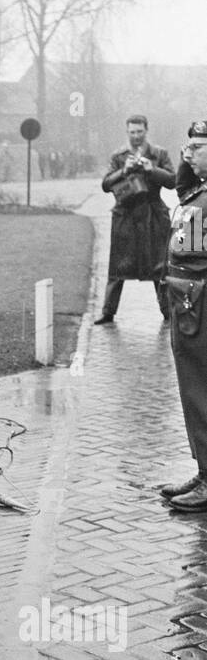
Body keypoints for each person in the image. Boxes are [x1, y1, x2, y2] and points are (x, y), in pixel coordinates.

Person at [159, 121, 207, 511]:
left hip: (200, 304)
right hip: (188, 301)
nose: (187, 153)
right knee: (194, 393)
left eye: (195, 147)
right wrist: (188, 158)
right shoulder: (197, 193)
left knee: (201, 391)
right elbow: (181, 187)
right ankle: (204, 468)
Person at [95, 114, 175, 324]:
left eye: (139, 131)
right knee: (118, 265)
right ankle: (108, 312)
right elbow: (105, 184)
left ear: (146, 130)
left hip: (154, 214)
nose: (136, 136)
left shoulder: (159, 154)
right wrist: (124, 170)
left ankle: (168, 312)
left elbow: (172, 181)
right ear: (127, 132)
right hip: (126, 214)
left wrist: (152, 169)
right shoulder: (119, 155)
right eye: (132, 132)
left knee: (159, 264)